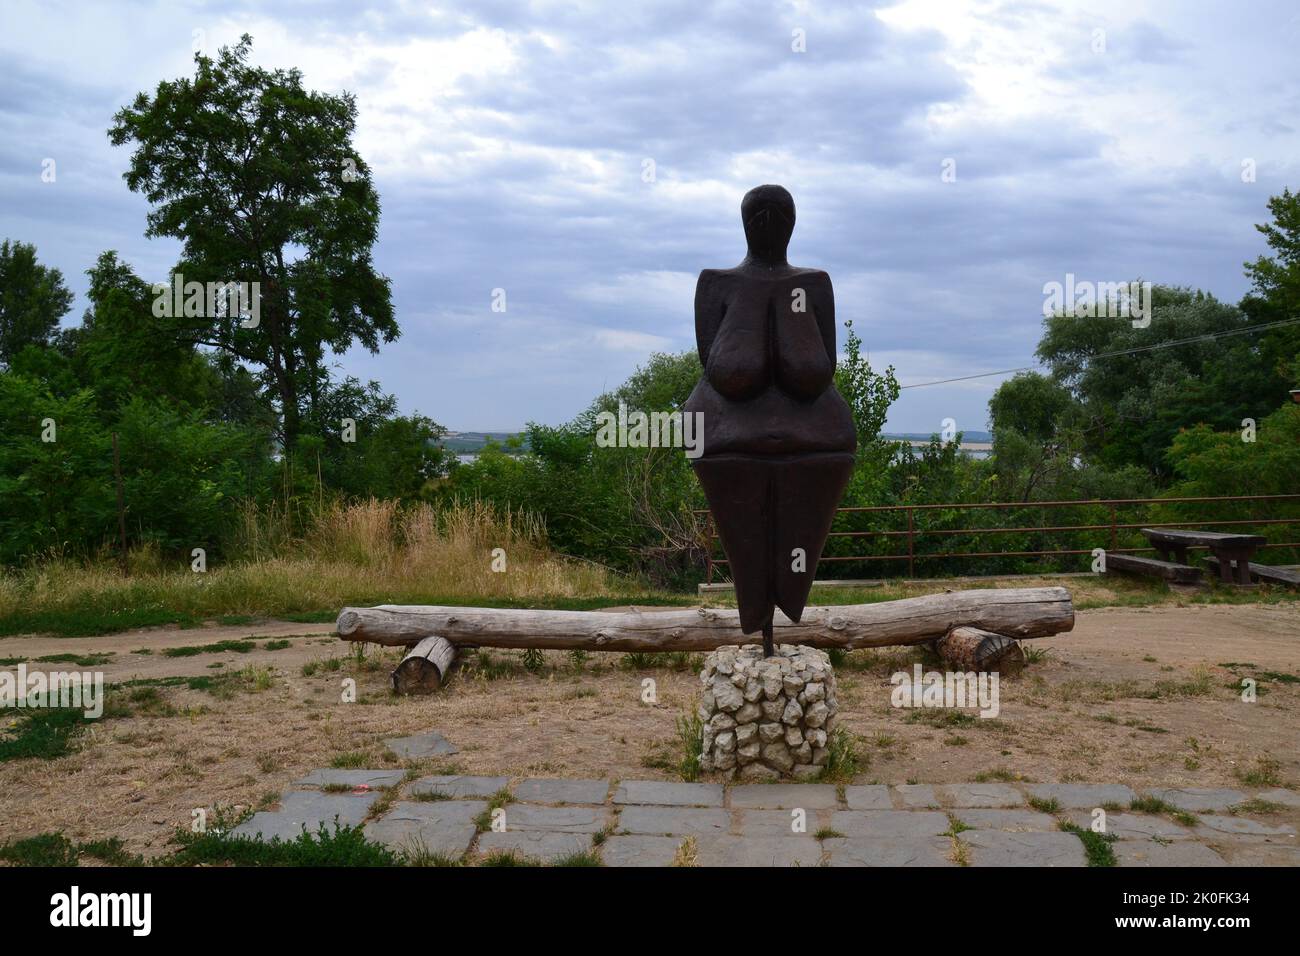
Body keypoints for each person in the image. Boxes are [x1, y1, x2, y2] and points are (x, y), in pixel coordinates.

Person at [684, 185, 856, 655]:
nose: (769, 222)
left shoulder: (813, 283)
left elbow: (823, 367)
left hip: (814, 443)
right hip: (729, 441)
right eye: (763, 215)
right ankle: (756, 611)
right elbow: (712, 362)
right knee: (749, 550)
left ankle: (772, 608)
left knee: (794, 557)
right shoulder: (717, 282)